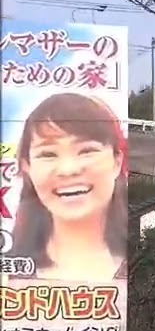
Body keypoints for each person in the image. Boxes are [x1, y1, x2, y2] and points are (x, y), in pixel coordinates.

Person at [8, 92, 127, 282]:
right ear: (26, 166)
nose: (68, 169)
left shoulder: (150, 262)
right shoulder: (8, 272)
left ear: (117, 162)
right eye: (48, 154)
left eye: (87, 150)